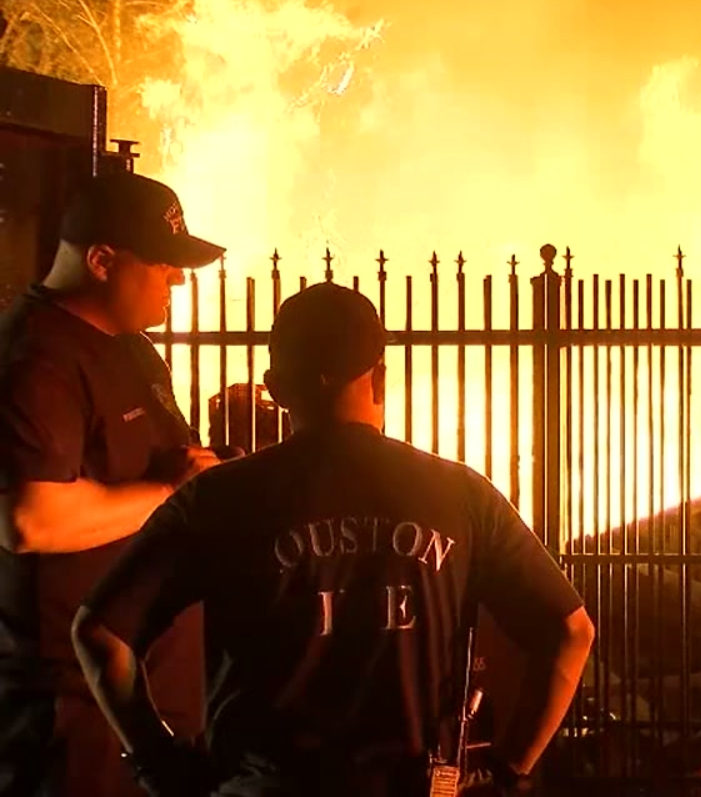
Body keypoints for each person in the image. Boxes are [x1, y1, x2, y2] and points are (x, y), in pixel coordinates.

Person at [70, 283, 595, 795]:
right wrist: (507, 771)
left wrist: (161, 763)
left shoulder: (219, 498)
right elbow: (571, 633)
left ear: (274, 389)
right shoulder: (461, 495)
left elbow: (100, 635)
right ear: (381, 378)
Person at [0, 171, 224, 797]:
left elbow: (165, 468)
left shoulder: (133, 351)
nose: (177, 279)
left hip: (151, 697)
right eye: (162, 264)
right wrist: (167, 494)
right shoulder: (34, 359)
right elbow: (28, 520)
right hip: (75, 712)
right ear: (101, 260)